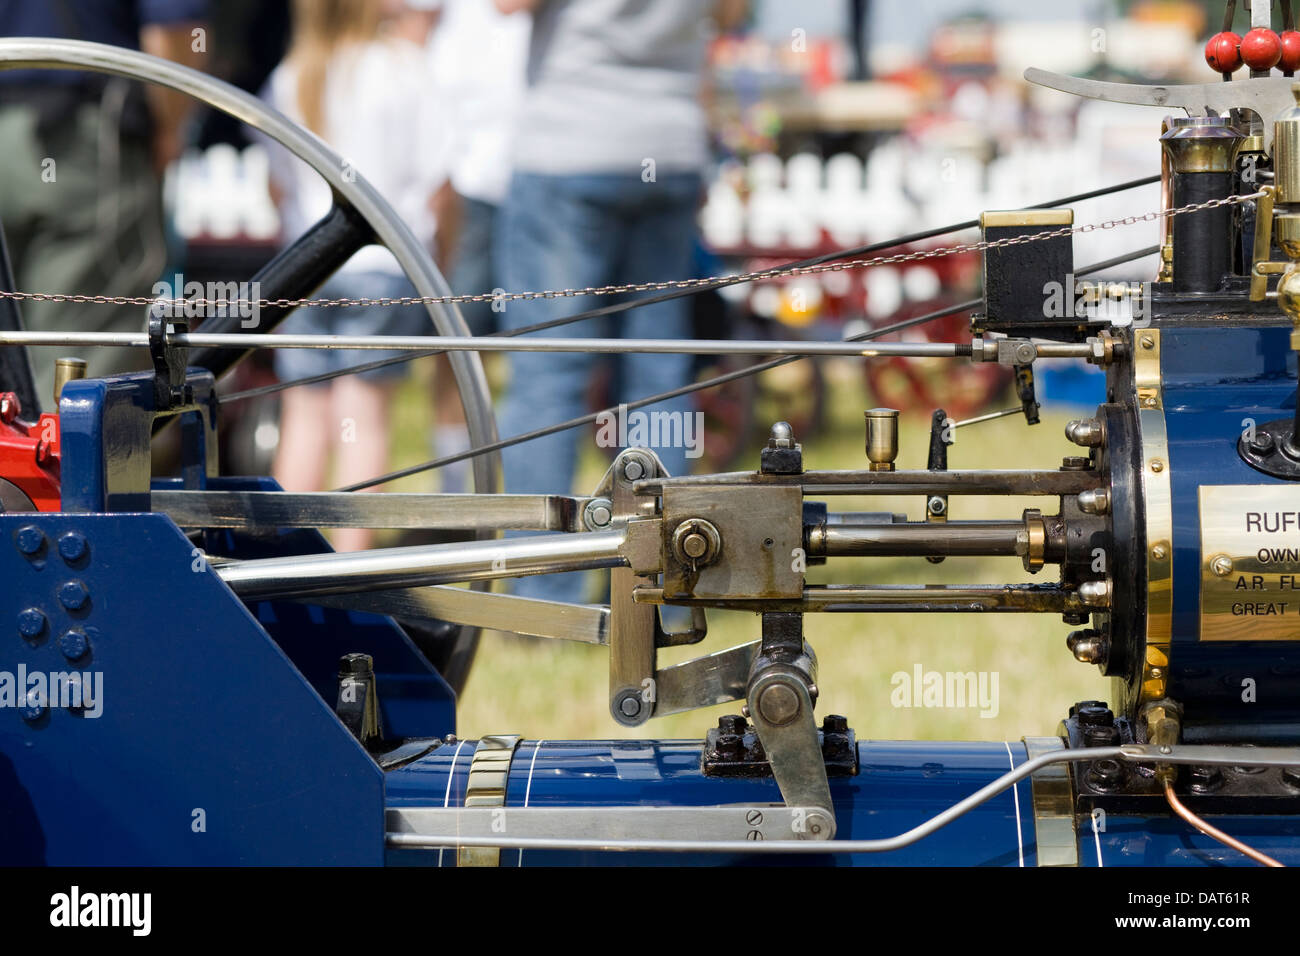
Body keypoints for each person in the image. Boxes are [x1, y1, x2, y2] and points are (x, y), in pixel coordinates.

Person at [492, 0, 746, 603]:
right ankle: (663, 582)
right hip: (669, 143)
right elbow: (732, 12)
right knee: (659, 372)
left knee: (549, 373)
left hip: (571, 143)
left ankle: (544, 593)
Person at [260, 0, 448, 551]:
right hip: (381, 267)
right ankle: (349, 566)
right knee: (363, 421)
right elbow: (438, 179)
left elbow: (277, 185)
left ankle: (279, 559)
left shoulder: (290, 75)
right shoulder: (402, 69)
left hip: (304, 270)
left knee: (304, 415)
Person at [0, 0, 209, 406]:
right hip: (86, 142)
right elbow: (175, 32)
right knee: (82, 364)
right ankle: (62, 467)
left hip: (21, 121)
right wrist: (170, 127)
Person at [426, 0, 531, 493]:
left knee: (549, 354)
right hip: (469, 174)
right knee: (459, 346)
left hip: (540, 173)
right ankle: (455, 498)